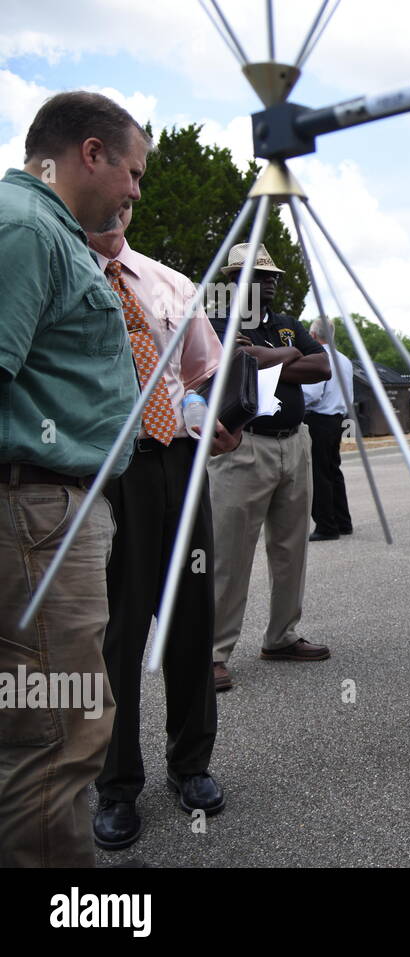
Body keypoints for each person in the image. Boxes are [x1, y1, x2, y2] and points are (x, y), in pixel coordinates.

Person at [0, 91, 149, 867]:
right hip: (38, 512)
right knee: (60, 729)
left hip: (54, 508)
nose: (133, 190)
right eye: (131, 171)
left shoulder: (47, 231)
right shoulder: (24, 230)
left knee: (46, 722)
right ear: (90, 153)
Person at [88, 202, 241, 850]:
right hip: (105, 473)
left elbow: (201, 371)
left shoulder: (170, 283)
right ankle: (116, 784)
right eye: (119, 179)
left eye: (134, 190)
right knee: (117, 630)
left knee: (189, 621)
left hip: (178, 464)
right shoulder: (62, 276)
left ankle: (191, 764)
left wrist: (208, 412)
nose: (125, 201)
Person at [208, 244, 331, 693]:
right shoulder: (219, 321)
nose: (272, 281)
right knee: (229, 553)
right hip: (244, 445)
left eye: (273, 274)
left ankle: (281, 636)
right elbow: (235, 363)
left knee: (291, 547)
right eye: (260, 276)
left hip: (294, 442)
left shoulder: (284, 326)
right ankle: (214, 652)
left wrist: (271, 357)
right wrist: (290, 358)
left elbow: (323, 366)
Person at [302, 319, 354, 542]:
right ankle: (343, 521)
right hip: (338, 418)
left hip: (319, 419)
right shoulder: (344, 360)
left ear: (312, 335)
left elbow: (312, 394)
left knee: (319, 474)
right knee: (333, 470)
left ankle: (326, 525)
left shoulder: (318, 358)